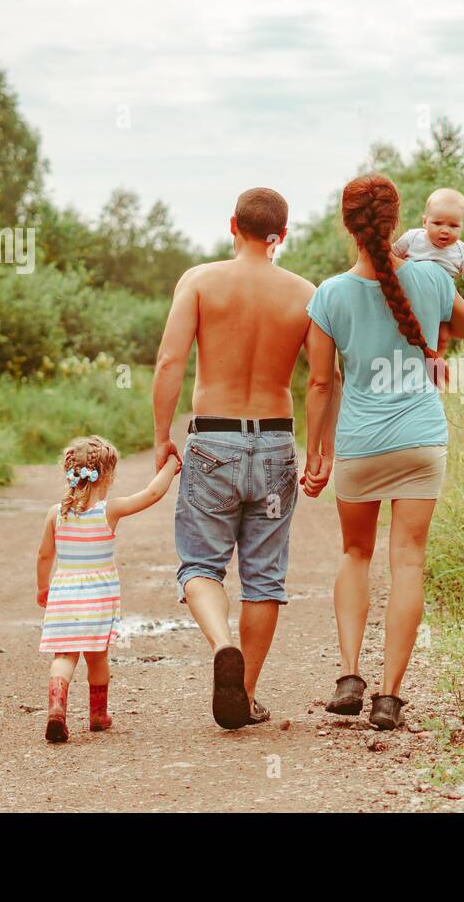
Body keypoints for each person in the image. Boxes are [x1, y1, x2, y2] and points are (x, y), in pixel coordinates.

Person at [152, 186, 337, 730]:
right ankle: (246, 694)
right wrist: (321, 450)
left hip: (213, 440)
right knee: (263, 580)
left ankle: (221, 646)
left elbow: (170, 362)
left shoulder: (201, 281)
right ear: (284, 233)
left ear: (233, 225)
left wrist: (163, 434)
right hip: (277, 445)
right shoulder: (308, 293)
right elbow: (323, 379)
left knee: (200, 566)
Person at [303, 174, 464, 730]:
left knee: (356, 554)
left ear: (347, 225)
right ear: (400, 223)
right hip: (422, 441)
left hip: (360, 445)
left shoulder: (329, 294)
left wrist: (316, 452)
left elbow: (322, 384)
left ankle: (350, 675)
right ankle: (388, 697)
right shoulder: (430, 276)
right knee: (408, 562)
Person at [36, 435, 179, 743]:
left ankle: (57, 710)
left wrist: (42, 588)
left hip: (64, 596)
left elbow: (45, 555)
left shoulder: (56, 514)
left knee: (64, 655)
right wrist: (171, 464)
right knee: (97, 658)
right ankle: (98, 715)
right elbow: (152, 493)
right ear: (109, 476)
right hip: (97, 599)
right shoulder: (108, 511)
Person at [391, 186, 464, 358]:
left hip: (440, 305)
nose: (445, 230)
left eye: (453, 225)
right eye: (437, 223)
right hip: (409, 296)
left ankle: (433, 368)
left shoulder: (461, 251)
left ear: (462, 227)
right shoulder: (413, 238)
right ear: (425, 222)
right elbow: (391, 256)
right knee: (403, 333)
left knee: (442, 336)